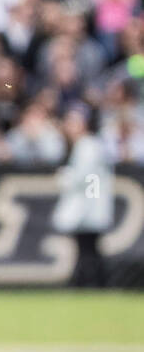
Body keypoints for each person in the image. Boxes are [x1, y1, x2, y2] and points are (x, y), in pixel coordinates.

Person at [52, 104, 114, 288]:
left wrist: (65, 177)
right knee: (89, 250)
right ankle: (93, 284)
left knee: (87, 251)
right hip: (91, 209)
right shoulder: (89, 144)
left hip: (88, 211)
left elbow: (83, 177)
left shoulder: (87, 145)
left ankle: (90, 285)